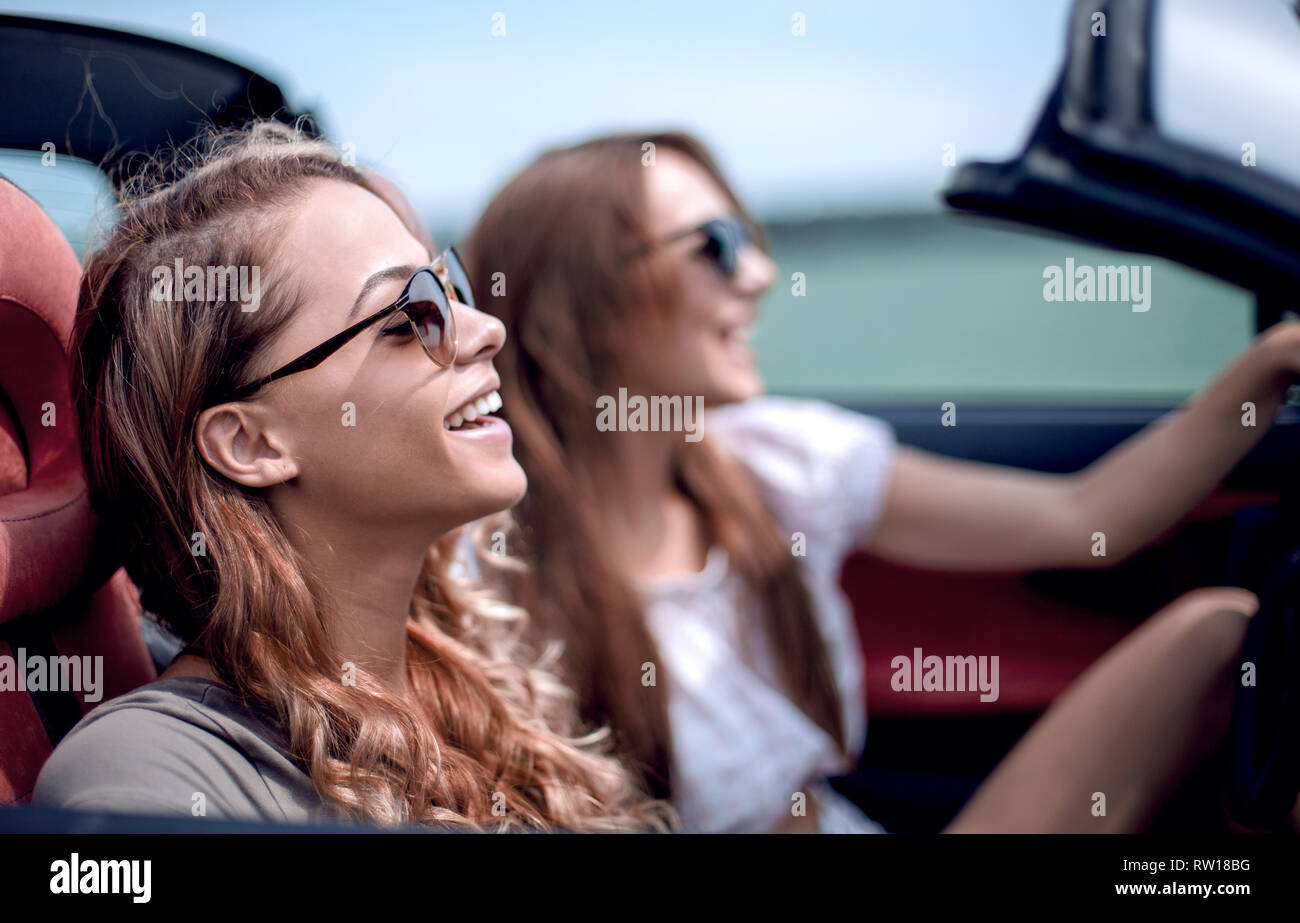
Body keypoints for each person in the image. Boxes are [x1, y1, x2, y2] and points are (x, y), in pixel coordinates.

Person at [460, 130, 1293, 833]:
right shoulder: (489, 575)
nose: (758, 275)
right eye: (714, 244)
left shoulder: (778, 465)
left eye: (751, 238)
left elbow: (1089, 517)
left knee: (1224, 636)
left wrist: (1270, 367)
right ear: (587, 298)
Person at [33, 121, 672, 832]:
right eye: (410, 315)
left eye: (450, 284)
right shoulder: (154, 772)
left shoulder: (477, 689)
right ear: (249, 442)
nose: (483, 327)